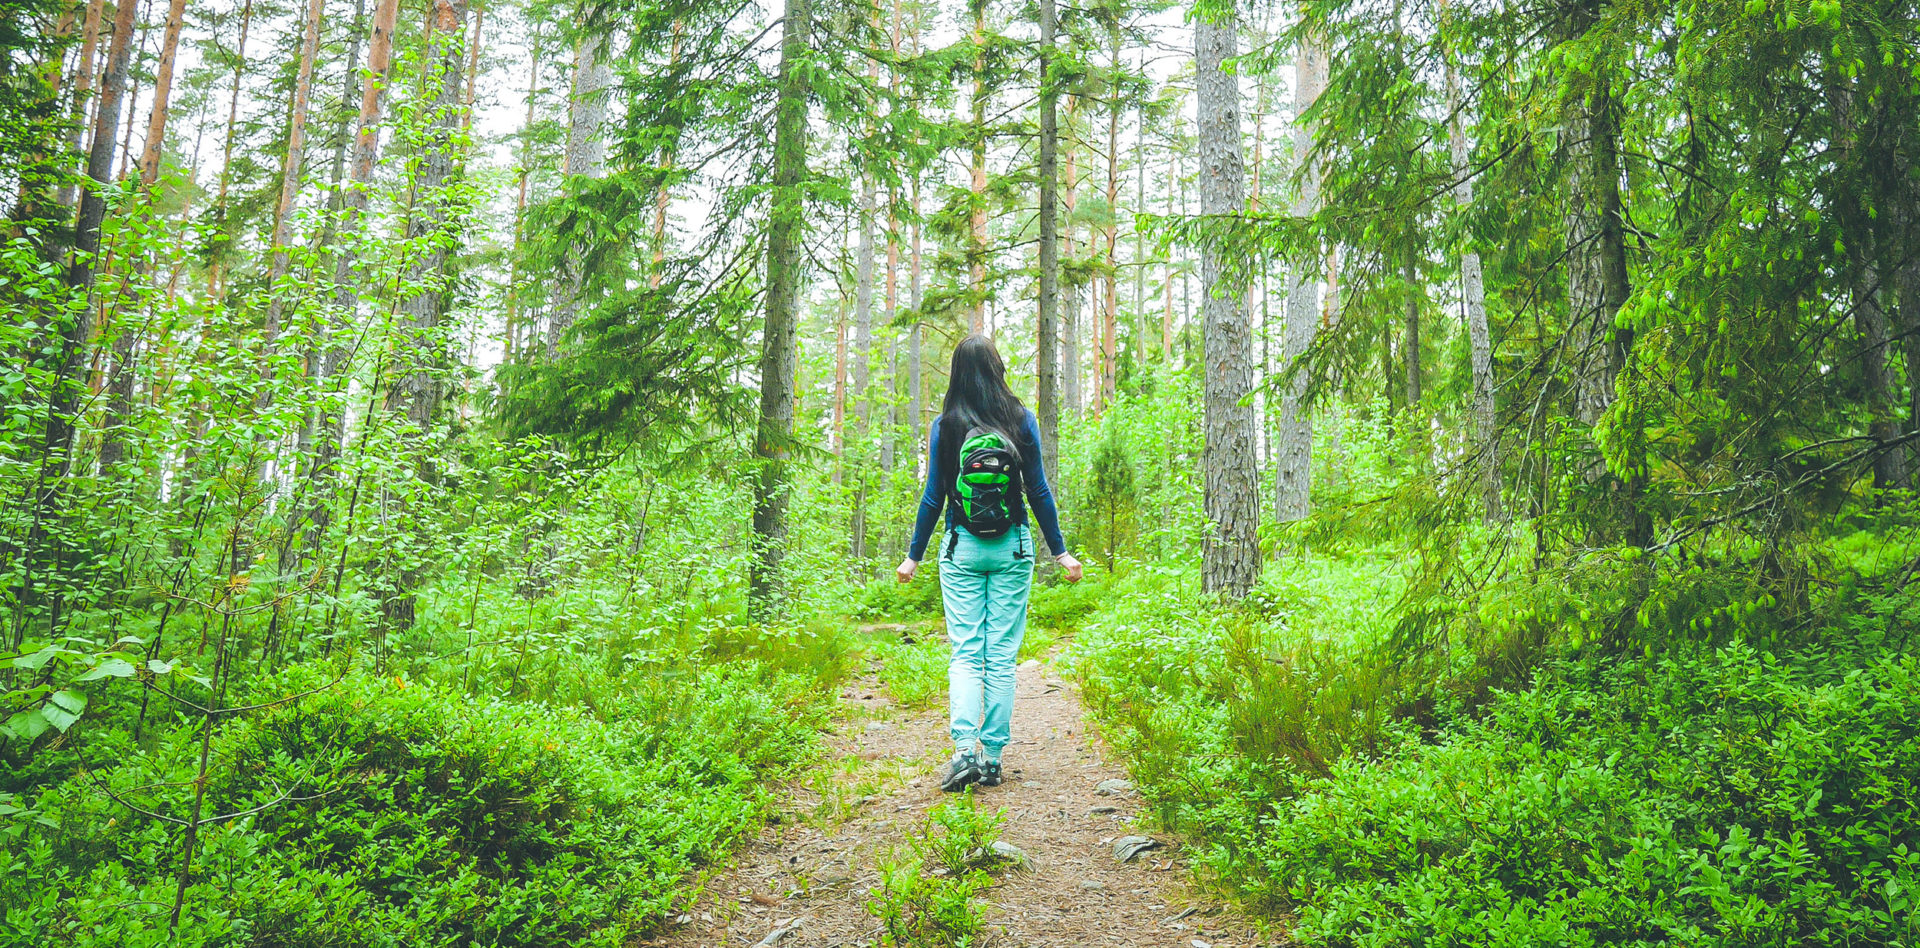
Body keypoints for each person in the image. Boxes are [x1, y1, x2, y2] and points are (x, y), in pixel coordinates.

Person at [896, 333, 1083, 792]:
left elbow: (934, 496)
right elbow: (1038, 490)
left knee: (965, 652)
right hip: (1012, 548)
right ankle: (994, 758)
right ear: (998, 368)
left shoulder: (945, 425)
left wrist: (913, 556)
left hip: (960, 547)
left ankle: (965, 752)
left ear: (957, 373)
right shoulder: (1020, 419)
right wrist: (1060, 551)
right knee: (1000, 655)